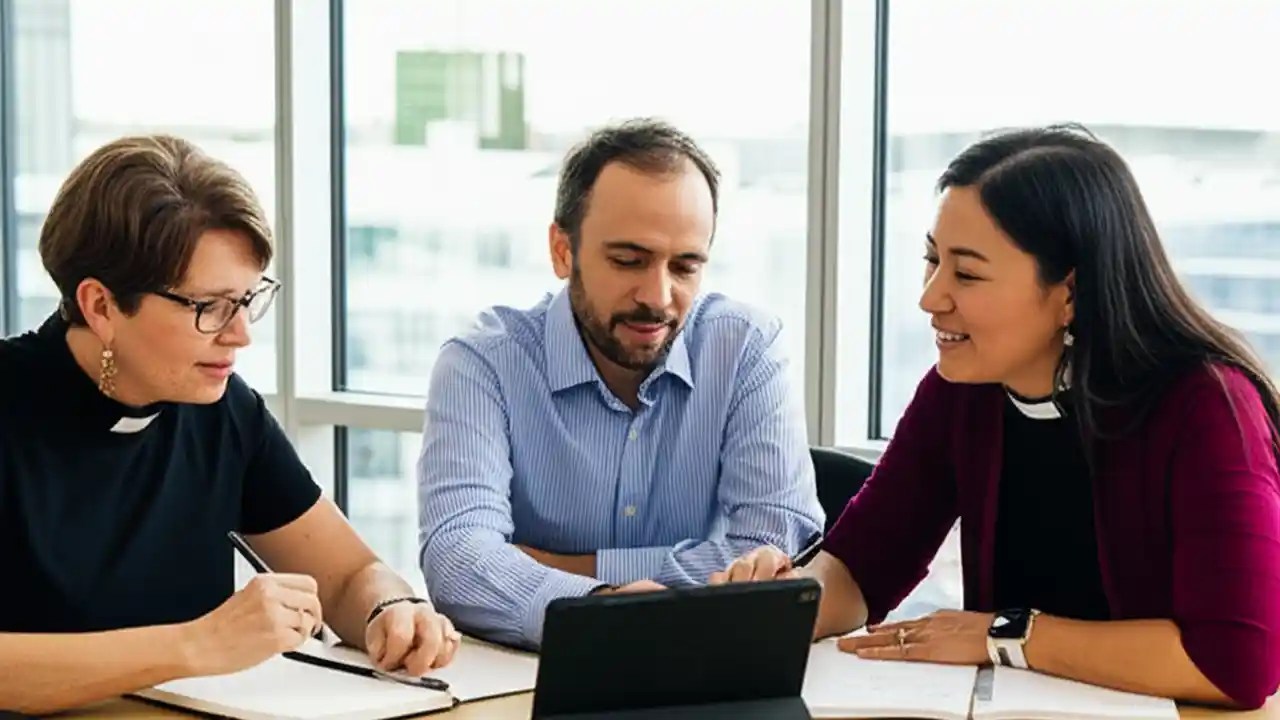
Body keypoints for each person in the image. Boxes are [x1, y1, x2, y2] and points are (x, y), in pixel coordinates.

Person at [712, 125, 1280, 709]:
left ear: (1070, 293)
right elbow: (859, 569)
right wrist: (772, 608)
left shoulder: (1208, 408)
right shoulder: (962, 390)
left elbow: (1233, 662)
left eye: (967, 273)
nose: (931, 297)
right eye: (932, 260)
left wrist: (1004, 634)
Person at [0, 136, 459, 714]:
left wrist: (389, 610)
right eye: (208, 307)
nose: (240, 333)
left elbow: (348, 576)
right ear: (102, 306)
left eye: (247, 300)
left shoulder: (221, 410)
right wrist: (195, 644)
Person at [417, 118, 823, 648]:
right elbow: (458, 556)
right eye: (628, 260)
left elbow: (775, 551)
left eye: (684, 267)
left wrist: (569, 571)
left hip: (705, 673)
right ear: (563, 251)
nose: (657, 296)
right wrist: (601, 608)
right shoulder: (482, 364)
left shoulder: (746, 348)